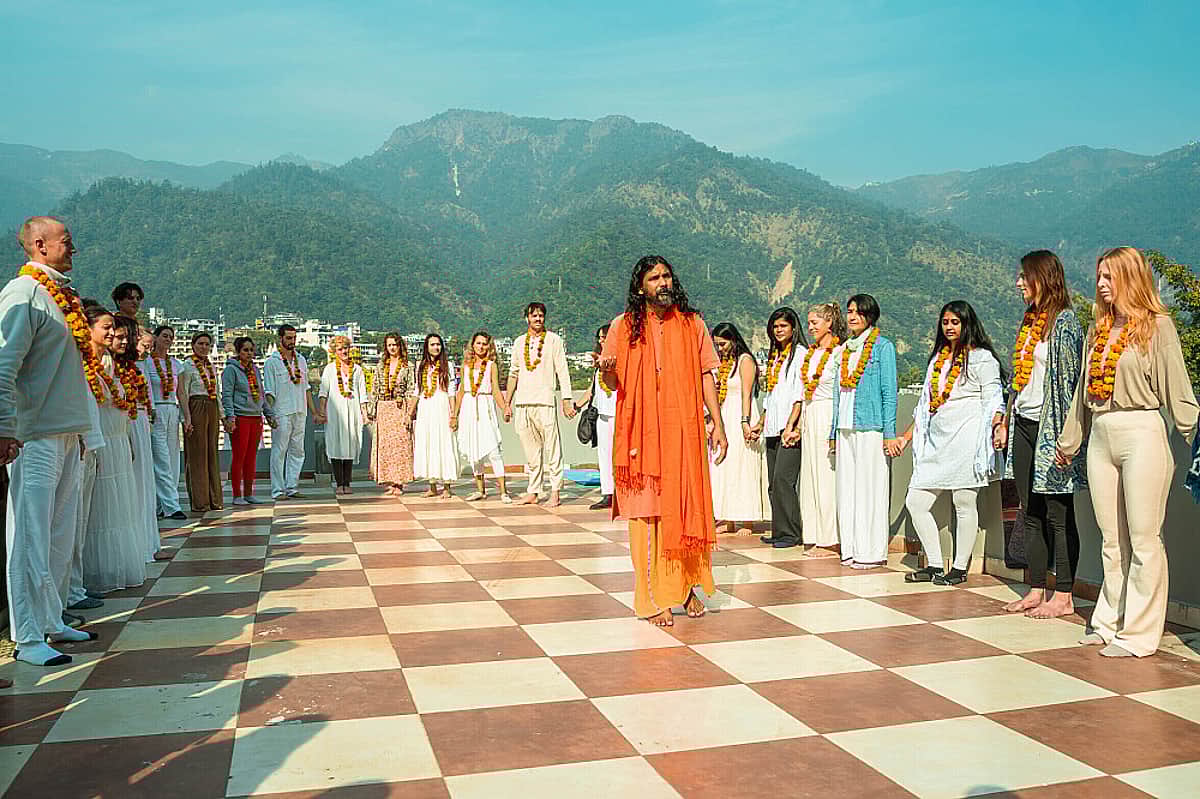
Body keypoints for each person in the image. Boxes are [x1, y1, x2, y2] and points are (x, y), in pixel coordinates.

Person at [1058, 247, 1199, 657]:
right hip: (1102, 434)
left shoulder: (1158, 327)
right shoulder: (1097, 330)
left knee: (1144, 538)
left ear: (1130, 278)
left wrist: (1196, 437)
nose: (1101, 283)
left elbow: (1178, 392)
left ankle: (1139, 634)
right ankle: (1108, 621)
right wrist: (1070, 441)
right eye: (1099, 276)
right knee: (1111, 540)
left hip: (1143, 431)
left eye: (1109, 276)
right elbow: (1081, 394)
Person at [598, 255, 728, 627]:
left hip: (682, 431)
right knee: (646, 514)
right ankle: (653, 598)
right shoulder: (623, 327)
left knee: (682, 508)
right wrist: (607, 371)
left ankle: (684, 588)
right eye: (654, 278)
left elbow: (706, 376)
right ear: (641, 287)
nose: (663, 283)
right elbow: (612, 382)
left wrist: (718, 424)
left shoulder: (692, 324)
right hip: (639, 433)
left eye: (666, 276)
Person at [0, 216, 104, 666]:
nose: (73, 248)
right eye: (67, 241)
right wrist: (5, 427)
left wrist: (81, 431)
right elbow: (5, 366)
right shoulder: (23, 293)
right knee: (29, 536)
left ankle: (51, 618)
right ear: (40, 245)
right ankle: (27, 637)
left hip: (67, 432)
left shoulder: (64, 298)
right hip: (35, 435)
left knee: (59, 534)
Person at [997, 251, 1086, 617]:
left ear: (1043, 278)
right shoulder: (1029, 321)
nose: (1019, 283)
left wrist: (1069, 437)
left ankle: (1063, 595)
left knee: (1058, 513)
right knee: (1030, 510)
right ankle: (1035, 588)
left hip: (1053, 428)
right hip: (1023, 423)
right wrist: (1006, 418)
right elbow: (1018, 379)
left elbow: (1072, 385)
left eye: (1025, 276)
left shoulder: (1065, 323)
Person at [896, 302, 1005, 585]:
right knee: (916, 501)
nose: (949, 327)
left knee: (964, 501)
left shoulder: (982, 358)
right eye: (945, 322)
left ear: (967, 324)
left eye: (955, 322)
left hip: (968, 438)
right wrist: (906, 437)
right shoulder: (938, 359)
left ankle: (958, 568)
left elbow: (994, 398)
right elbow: (924, 406)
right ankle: (934, 564)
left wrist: (998, 427)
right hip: (937, 441)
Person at [81, 305, 146, 595]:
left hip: (118, 440)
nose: (113, 335)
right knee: (100, 506)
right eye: (106, 328)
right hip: (101, 441)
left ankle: (116, 565)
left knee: (120, 505)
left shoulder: (112, 363)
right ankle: (96, 570)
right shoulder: (85, 364)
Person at [833, 294, 900, 569]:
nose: (852, 317)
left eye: (858, 312)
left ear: (869, 316)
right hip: (845, 427)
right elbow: (837, 394)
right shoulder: (844, 349)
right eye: (849, 311)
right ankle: (850, 548)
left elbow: (889, 392)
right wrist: (833, 431)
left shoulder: (883, 347)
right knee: (846, 490)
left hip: (871, 426)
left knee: (870, 489)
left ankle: (870, 551)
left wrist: (889, 432)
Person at [783, 302, 846, 556]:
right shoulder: (810, 354)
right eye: (808, 323)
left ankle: (831, 540)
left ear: (829, 323)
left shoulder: (839, 352)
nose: (809, 327)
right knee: (810, 477)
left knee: (826, 477)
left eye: (814, 323)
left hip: (827, 414)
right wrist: (796, 425)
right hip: (810, 415)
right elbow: (802, 394)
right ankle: (814, 534)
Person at [504, 302, 576, 507]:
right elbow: (513, 373)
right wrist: (507, 403)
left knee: (553, 448)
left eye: (541, 316)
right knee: (531, 452)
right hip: (523, 403)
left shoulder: (554, 340)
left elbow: (562, 371)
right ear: (526, 318)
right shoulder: (519, 342)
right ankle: (533, 491)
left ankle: (555, 492)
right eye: (534, 315)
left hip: (545, 402)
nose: (538, 319)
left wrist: (566, 399)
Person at [115, 317, 168, 562]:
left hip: (142, 420)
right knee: (136, 484)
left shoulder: (140, 365)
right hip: (130, 422)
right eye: (143, 345)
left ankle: (149, 543)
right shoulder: (121, 366)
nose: (146, 350)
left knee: (146, 482)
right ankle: (140, 546)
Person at [708, 322, 769, 534]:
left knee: (743, 465)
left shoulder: (745, 360)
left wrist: (745, 421)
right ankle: (727, 517)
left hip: (741, 414)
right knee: (726, 466)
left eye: (723, 344)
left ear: (733, 340)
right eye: (717, 345)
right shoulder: (725, 363)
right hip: (725, 414)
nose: (720, 348)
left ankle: (747, 519)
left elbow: (746, 394)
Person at [759, 307, 808, 548]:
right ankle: (779, 530)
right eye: (775, 326)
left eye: (783, 326)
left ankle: (791, 533)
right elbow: (771, 395)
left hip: (789, 428)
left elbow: (799, 395)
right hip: (772, 426)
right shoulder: (776, 356)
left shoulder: (800, 354)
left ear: (793, 327)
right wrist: (761, 422)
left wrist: (791, 425)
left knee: (783, 480)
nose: (778, 330)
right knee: (773, 483)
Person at [454, 330, 512, 502]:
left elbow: (495, 389)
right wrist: (454, 415)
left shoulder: (491, 365)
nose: (481, 347)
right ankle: (480, 490)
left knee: (494, 451)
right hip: (468, 408)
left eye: (484, 344)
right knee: (474, 450)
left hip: (485, 407)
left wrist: (504, 407)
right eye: (478, 343)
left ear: (489, 346)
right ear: (473, 345)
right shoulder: (466, 366)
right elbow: (461, 391)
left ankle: (503, 492)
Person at [264, 324, 319, 501]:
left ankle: (292, 486)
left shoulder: (301, 360)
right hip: (281, 412)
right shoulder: (272, 362)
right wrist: (270, 415)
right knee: (279, 451)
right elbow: (269, 392)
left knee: (298, 450)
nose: (292, 341)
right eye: (288, 338)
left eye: (294, 338)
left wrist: (314, 412)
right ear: (280, 338)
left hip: (300, 410)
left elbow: (307, 388)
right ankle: (277, 490)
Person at [222, 337, 275, 505]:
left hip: (256, 417)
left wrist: (269, 414)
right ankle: (237, 495)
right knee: (239, 456)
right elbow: (227, 395)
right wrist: (230, 417)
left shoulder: (254, 369)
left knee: (251, 457)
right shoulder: (231, 370)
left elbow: (261, 394)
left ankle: (249, 493)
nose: (249, 353)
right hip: (240, 417)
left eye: (251, 350)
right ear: (238, 351)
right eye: (245, 350)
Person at [144, 325, 190, 520]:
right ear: (155, 337)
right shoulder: (146, 362)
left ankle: (162, 504)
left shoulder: (176, 364)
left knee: (172, 458)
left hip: (172, 409)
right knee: (160, 458)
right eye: (164, 336)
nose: (168, 340)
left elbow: (182, 393)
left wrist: (187, 417)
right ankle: (172, 505)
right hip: (156, 410)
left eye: (171, 337)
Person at [570, 325, 617, 510]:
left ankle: (622, 494)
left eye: (604, 337)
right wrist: (576, 406)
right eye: (599, 338)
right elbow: (592, 390)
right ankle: (608, 493)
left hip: (618, 415)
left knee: (620, 456)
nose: (601, 341)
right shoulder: (598, 366)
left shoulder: (620, 360)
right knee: (604, 456)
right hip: (602, 415)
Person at [179, 331, 224, 514]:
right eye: (201, 344)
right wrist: (186, 418)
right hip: (196, 406)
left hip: (211, 406)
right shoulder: (187, 366)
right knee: (197, 454)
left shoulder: (211, 367)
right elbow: (183, 392)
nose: (204, 347)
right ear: (193, 345)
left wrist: (222, 415)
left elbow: (217, 393)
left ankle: (214, 499)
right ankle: (200, 501)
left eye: (207, 344)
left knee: (211, 452)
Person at [318, 335, 368, 495]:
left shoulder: (357, 369)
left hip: (352, 411)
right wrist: (321, 412)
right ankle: (339, 483)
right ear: (335, 352)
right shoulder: (329, 369)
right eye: (340, 349)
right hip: (334, 412)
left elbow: (363, 394)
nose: (344, 351)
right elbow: (323, 392)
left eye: (345, 348)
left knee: (350, 445)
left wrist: (365, 414)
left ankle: (347, 482)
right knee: (335, 444)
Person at [413, 333, 460, 498]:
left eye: (438, 344)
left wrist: (453, 415)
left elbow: (452, 391)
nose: (436, 347)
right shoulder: (420, 365)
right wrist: (410, 412)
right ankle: (432, 486)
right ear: (426, 347)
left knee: (444, 443)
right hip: (426, 408)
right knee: (428, 443)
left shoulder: (448, 365)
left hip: (442, 407)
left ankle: (447, 486)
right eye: (432, 344)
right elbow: (417, 390)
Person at [370, 332, 415, 496]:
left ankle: (399, 482)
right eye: (389, 345)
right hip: (384, 407)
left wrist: (409, 412)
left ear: (400, 346)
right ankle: (389, 481)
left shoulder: (408, 366)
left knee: (400, 445)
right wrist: (372, 409)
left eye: (395, 345)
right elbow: (375, 387)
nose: (392, 348)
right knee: (386, 446)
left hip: (400, 407)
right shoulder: (381, 365)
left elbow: (411, 388)